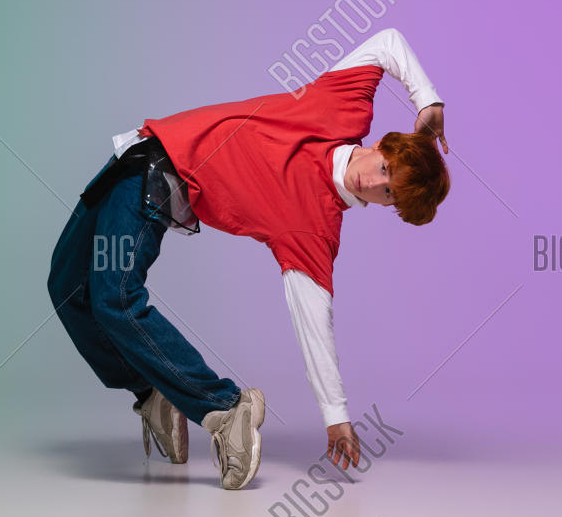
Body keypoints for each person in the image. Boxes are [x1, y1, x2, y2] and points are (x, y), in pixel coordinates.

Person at [46, 28, 450, 490]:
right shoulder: (340, 106)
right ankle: (154, 391)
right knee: (67, 287)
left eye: (389, 194)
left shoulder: (314, 228)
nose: (375, 185)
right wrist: (427, 101)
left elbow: (313, 321)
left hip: (155, 183)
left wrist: (335, 414)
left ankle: (225, 407)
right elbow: (388, 43)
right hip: (135, 157)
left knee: (114, 294)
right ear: (383, 146)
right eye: (385, 171)